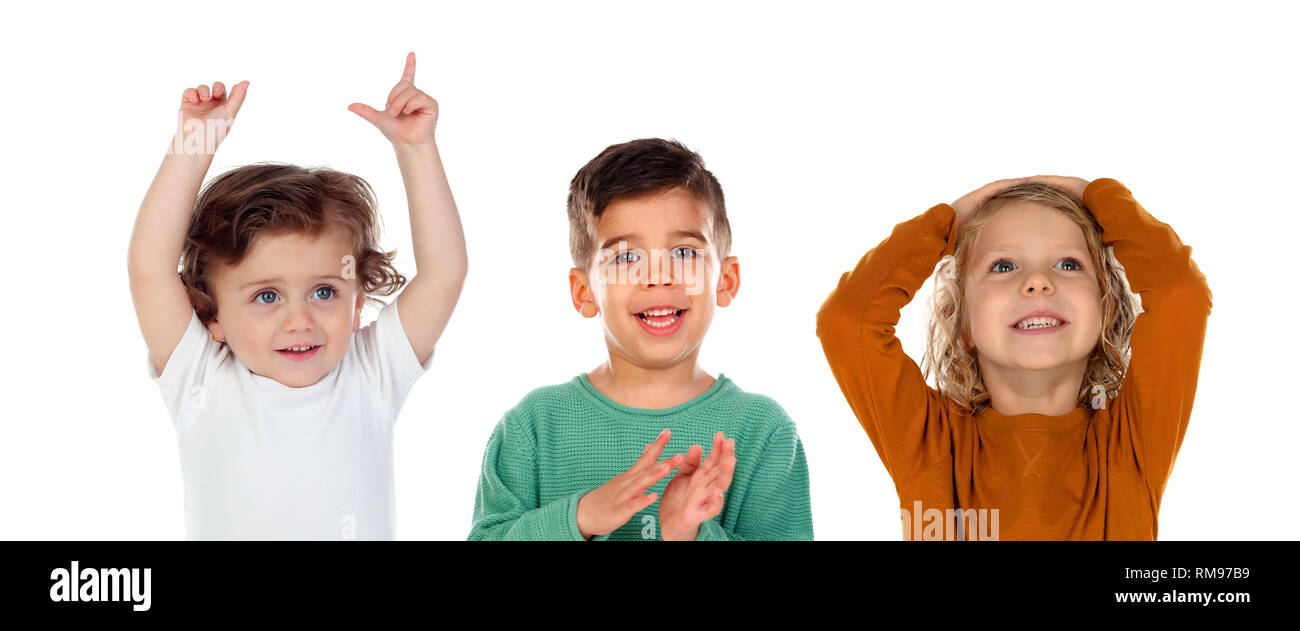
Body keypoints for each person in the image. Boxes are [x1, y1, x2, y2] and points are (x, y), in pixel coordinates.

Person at [127, 53, 467, 539]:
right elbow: (149, 268)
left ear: (356, 304)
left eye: (325, 291)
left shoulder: (372, 372)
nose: (299, 320)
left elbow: (444, 273)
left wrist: (416, 150)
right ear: (210, 313)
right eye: (266, 297)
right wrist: (195, 142)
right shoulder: (198, 378)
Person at [816, 177, 1211, 540]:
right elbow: (847, 320)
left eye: (1068, 264)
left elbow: (1181, 295)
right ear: (963, 322)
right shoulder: (932, 444)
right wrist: (944, 223)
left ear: (1106, 311)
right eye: (1004, 266)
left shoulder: (1130, 449)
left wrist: (1099, 195)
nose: (1038, 282)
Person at [469, 138, 813, 540]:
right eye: (625, 257)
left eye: (684, 253)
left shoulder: (763, 432)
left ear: (726, 280)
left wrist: (689, 532)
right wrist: (578, 518)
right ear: (584, 292)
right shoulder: (533, 426)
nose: (657, 276)